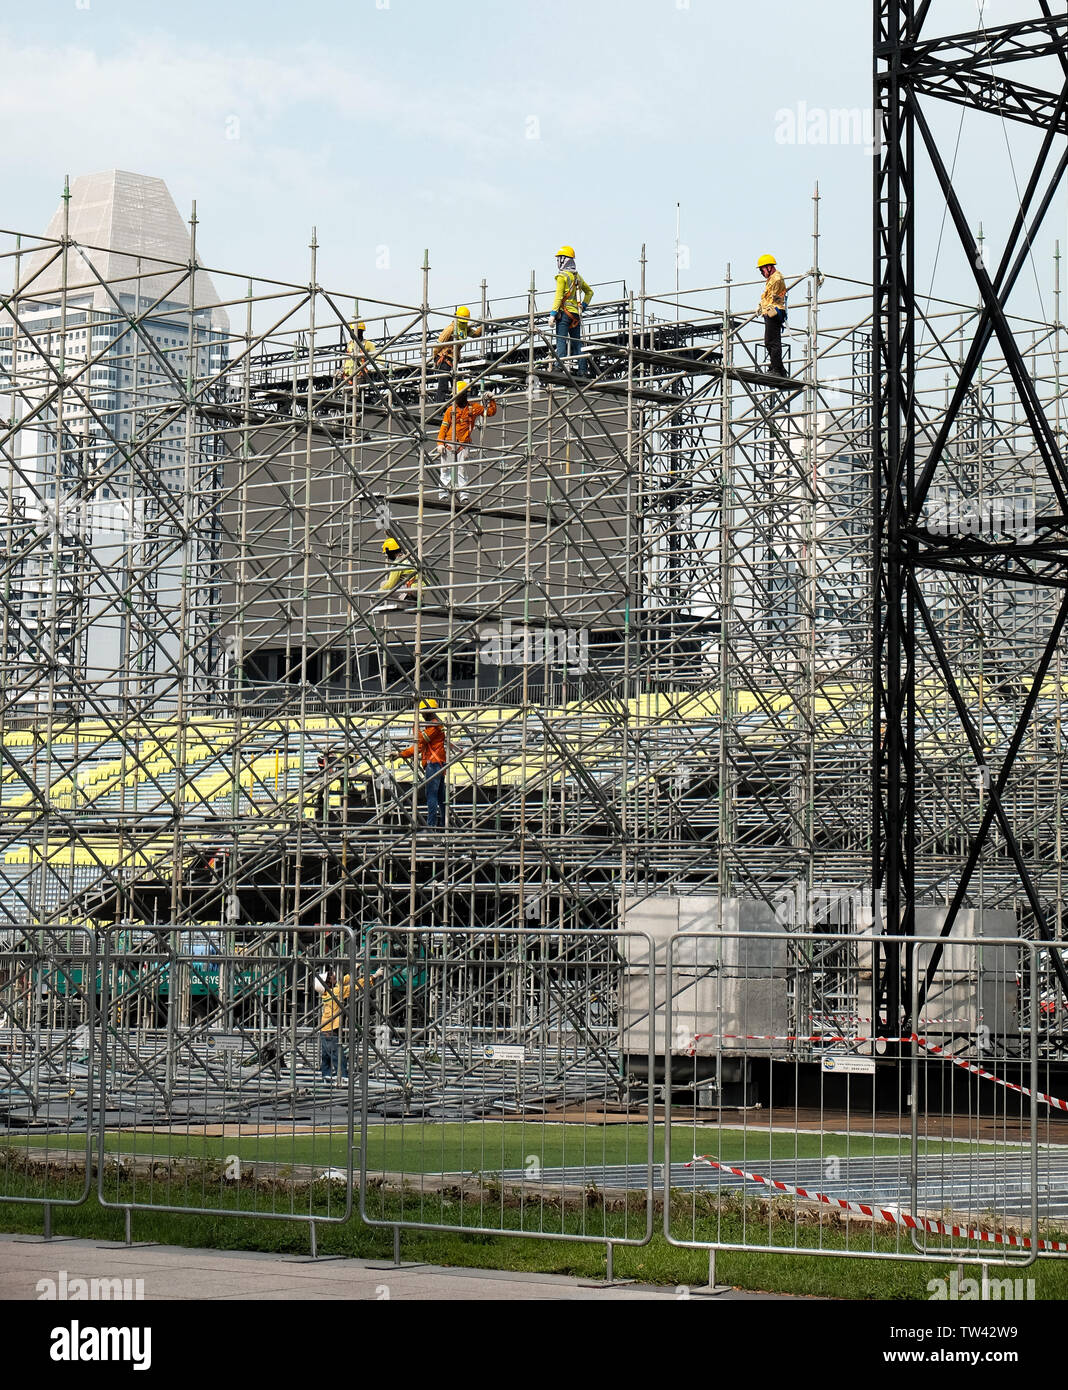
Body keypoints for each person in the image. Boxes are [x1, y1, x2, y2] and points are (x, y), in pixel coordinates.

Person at [313, 964, 382, 1082]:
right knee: (338, 1056)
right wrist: (374, 976)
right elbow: (354, 986)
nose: (333, 975)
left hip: (324, 1029)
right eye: (330, 976)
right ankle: (343, 1078)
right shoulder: (336, 992)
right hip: (330, 1029)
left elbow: (342, 980)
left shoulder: (329, 992)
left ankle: (326, 1078)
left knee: (326, 1058)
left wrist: (353, 969)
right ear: (328, 983)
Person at [395, 698, 456, 829]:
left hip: (433, 764)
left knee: (432, 795)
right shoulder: (431, 726)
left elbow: (421, 739)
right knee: (440, 797)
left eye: (423, 712)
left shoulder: (435, 725)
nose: (421, 715)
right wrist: (401, 754)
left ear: (429, 712)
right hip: (436, 764)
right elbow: (419, 747)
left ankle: (431, 826)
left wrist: (415, 727)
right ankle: (444, 824)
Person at [436, 380, 497, 503]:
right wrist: (440, 443)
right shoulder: (450, 410)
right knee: (445, 470)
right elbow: (444, 428)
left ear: (464, 395)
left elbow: (490, 412)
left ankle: (464, 496)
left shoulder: (473, 408)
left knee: (462, 471)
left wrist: (491, 400)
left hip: (463, 445)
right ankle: (443, 494)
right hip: (448, 444)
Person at [551, 245, 593, 375]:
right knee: (577, 343)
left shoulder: (562, 276)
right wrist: (583, 306)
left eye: (559, 258)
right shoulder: (577, 277)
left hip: (564, 314)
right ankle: (582, 370)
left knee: (561, 339)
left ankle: (559, 366)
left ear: (564, 260)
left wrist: (552, 314)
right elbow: (589, 292)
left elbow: (558, 297)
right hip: (575, 315)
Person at [433, 306, 483, 400]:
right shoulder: (450, 329)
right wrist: (435, 359)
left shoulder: (464, 328)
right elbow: (438, 345)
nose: (463, 323)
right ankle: (439, 408)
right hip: (444, 359)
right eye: (462, 321)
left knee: (457, 385)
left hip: (453, 361)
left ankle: (456, 406)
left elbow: (475, 334)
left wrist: (483, 325)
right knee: (443, 385)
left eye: (465, 321)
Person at [757, 254, 789, 378]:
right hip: (769, 311)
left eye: (762, 269)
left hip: (773, 311)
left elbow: (774, 297)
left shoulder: (776, 279)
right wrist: (761, 306)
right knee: (769, 341)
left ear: (769, 267)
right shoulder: (772, 279)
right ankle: (778, 368)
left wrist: (765, 306)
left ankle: (777, 369)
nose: (761, 272)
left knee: (773, 342)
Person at [375, 535, 421, 609]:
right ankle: (411, 599)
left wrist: (377, 594)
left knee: (383, 584)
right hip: (421, 588)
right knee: (398, 581)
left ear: (390, 552)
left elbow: (390, 584)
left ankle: (408, 601)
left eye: (387, 553)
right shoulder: (409, 556)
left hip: (413, 589)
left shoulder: (398, 563)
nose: (387, 556)